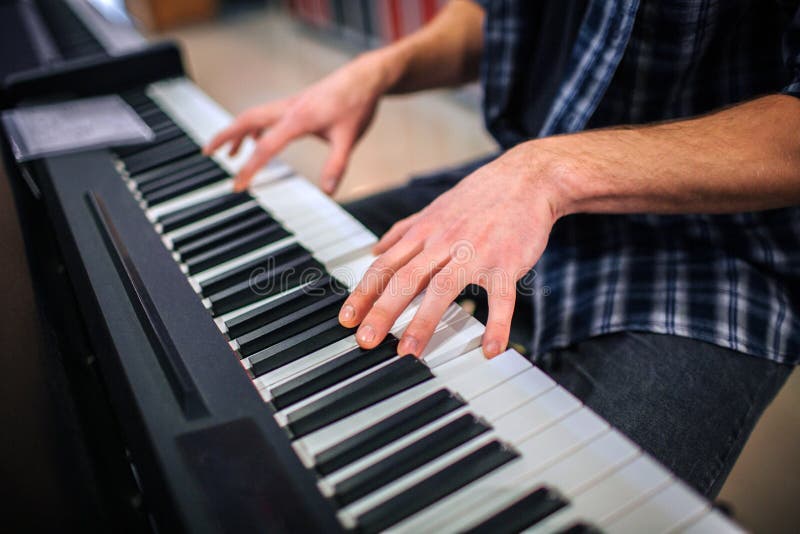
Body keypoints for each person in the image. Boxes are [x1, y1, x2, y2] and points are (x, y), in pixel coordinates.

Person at [205, 1, 800, 498]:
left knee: (585, 500)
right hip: (522, 180)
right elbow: (500, 15)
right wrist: (382, 68)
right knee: (269, 289)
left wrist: (549, 172)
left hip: (717, 249)